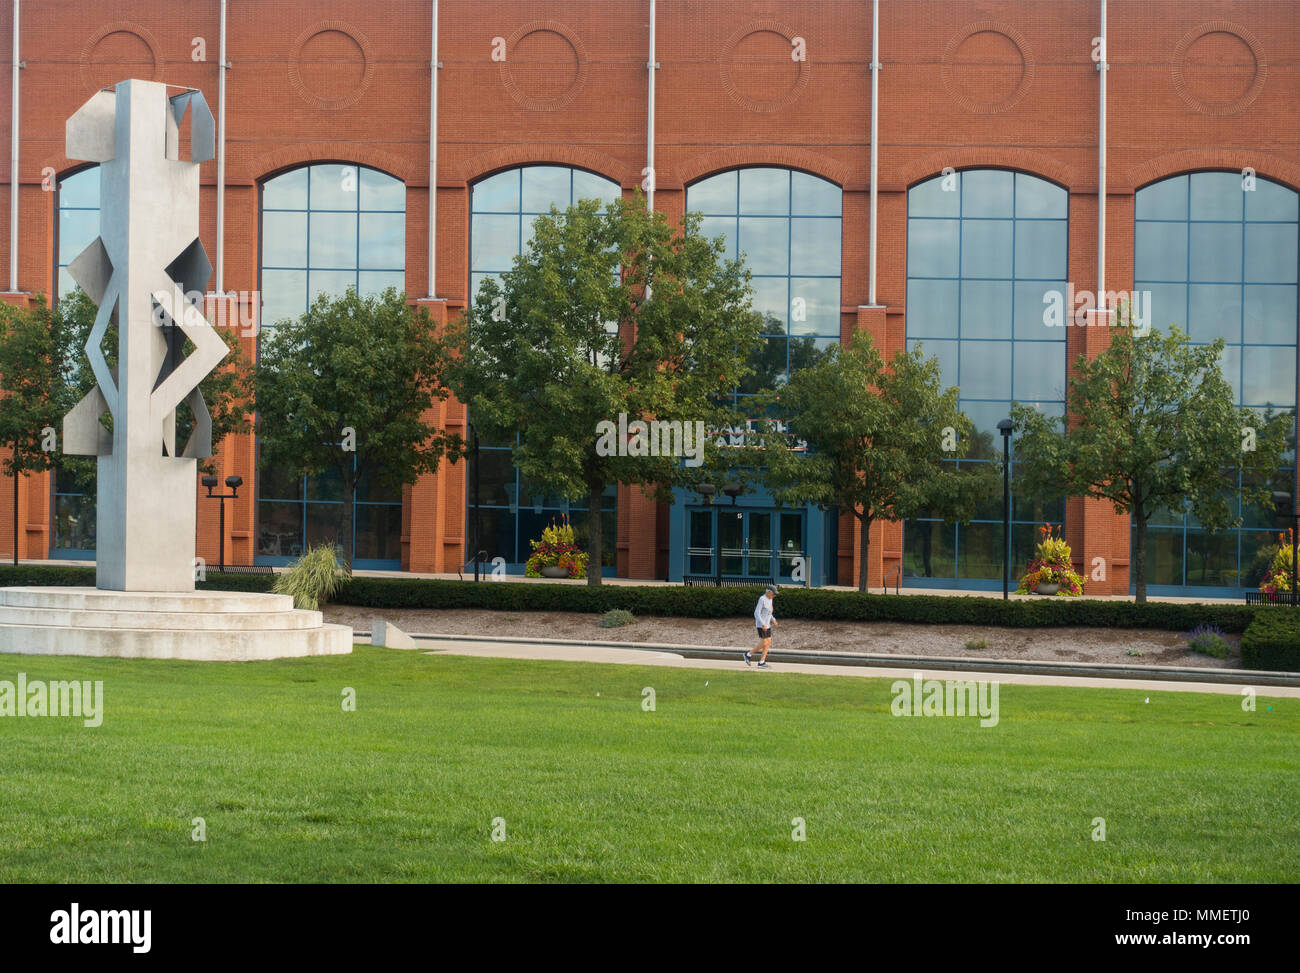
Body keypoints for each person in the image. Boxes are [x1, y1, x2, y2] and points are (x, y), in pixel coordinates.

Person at [745, 585, 778, 668]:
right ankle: (748, 654)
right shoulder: (762, 599)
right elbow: (756, 613)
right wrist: (762, 624)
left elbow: (769, 612)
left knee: (768, 642)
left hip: (767, 625)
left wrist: (773, 620)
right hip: (761, 625)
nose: (774, 596)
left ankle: (762, 662)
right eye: (774, 594)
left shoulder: (770, 600)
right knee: (764, 642)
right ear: (769, 592)